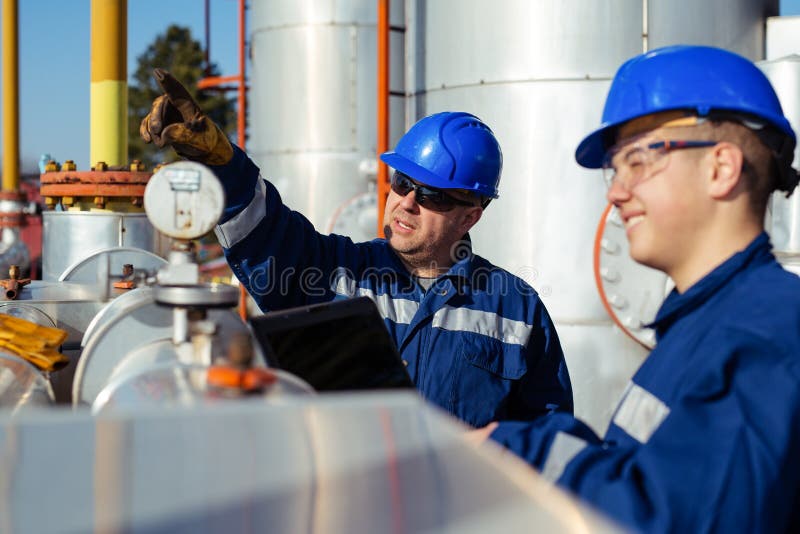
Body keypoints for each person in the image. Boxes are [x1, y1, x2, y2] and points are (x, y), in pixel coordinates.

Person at [139, 69, 573, 428]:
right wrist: (221, 163)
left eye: (432, 195)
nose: (406, 202)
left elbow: (546, 435)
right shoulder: (336, 272)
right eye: (402, 182)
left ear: (470, 216)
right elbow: (265, 233)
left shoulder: (517, 309)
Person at [481, 45, 800, 532]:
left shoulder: (765, 332)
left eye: (638, 159)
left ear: (720, 168)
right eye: (616, 167)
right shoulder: (704, 325)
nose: (615, 191)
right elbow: (652, 476)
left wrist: (515, 447)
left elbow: (676, 520)